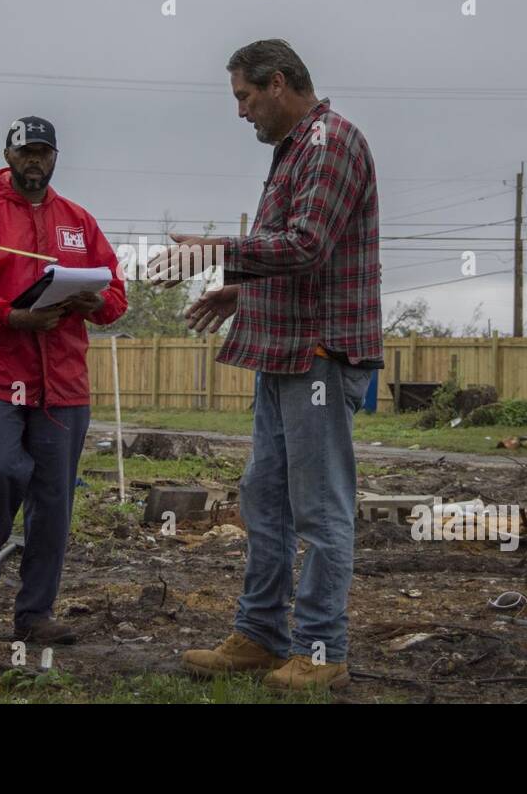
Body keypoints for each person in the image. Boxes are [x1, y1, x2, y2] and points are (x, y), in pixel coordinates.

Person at [150, 39, 383, 690]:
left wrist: (214, 253)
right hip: (282, 350)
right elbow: (296, 254)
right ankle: (259, 637)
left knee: (319, 506)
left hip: (319, 354)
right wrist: (239, 288)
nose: (242, 112)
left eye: (245, 98)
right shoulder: (294, 150)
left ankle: (321, 649)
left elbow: (308, 245)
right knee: (265, 498)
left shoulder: (329, 143)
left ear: (278, 83)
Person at [0, 116, 127, 644]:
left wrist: (96, 301)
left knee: (53, 501)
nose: (35, 161)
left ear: (55, 157)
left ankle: (35, 615)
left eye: (44, 152)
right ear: (8, 155)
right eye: (26, 152)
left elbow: (115, 295)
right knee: (1, 470)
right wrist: (13, 317)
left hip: (63, 385)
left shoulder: (79, 221)